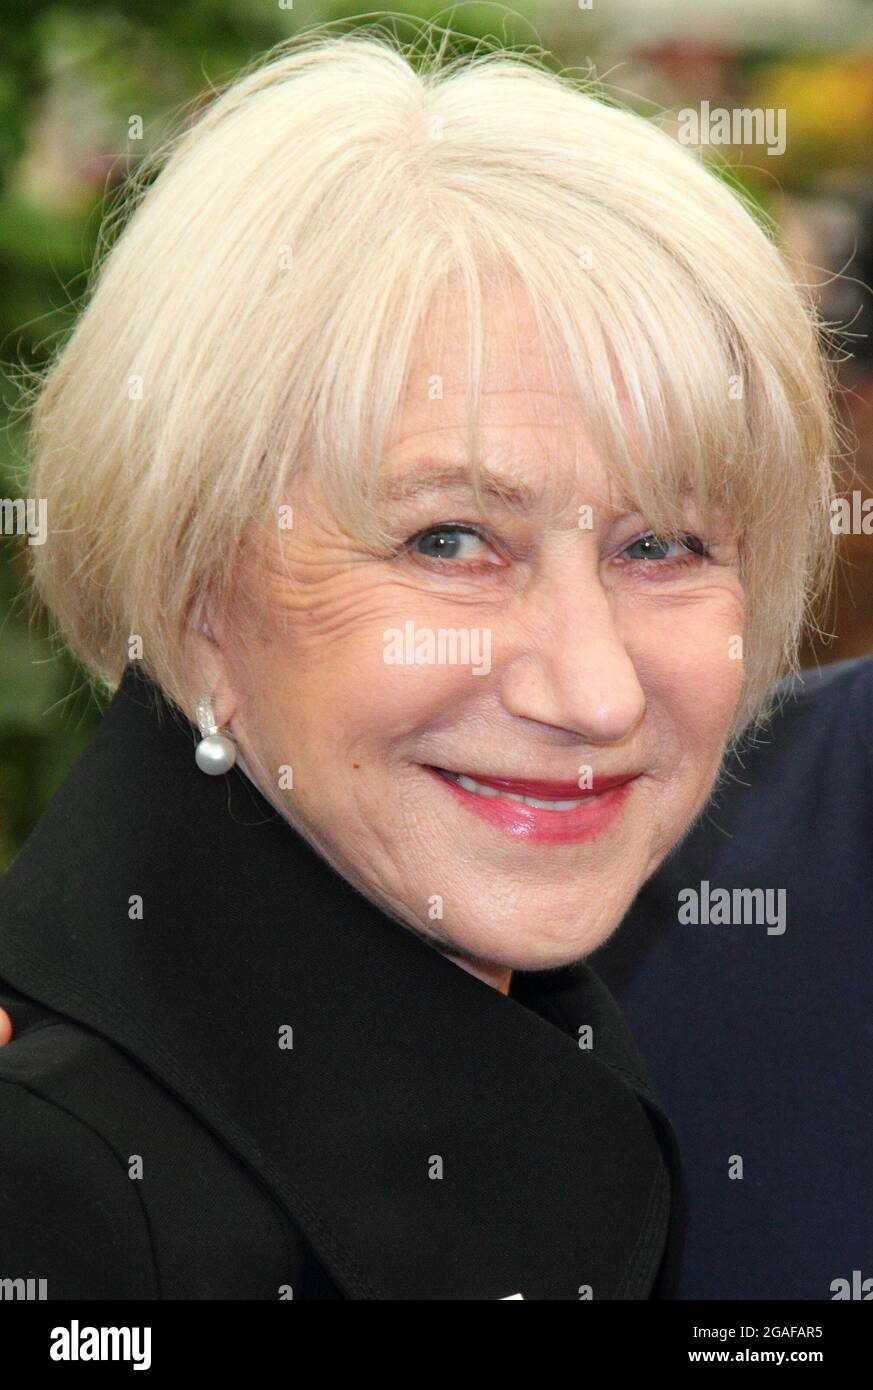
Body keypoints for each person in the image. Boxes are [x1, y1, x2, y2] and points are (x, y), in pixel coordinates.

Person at [0, 26, 836, 1299]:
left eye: (663, 543)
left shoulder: (554, 1047)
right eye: (450, 540)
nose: (595, 689)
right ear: (195, 592)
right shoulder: (62, 1197)